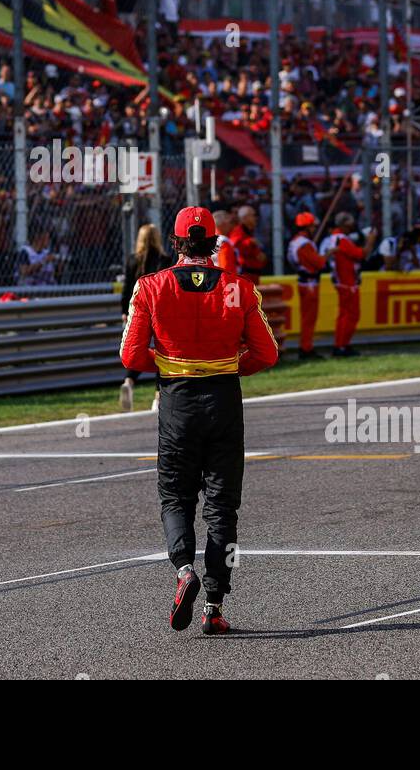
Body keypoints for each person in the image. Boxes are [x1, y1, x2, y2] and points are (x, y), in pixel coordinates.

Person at [120, 205, 278, 636]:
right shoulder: (239, 287)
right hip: (224, 400)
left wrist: (168, 363)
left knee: (175, 495)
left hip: (177, 403)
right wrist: (227, 367)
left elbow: (130, 355)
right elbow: (267, 353)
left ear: (176, 243)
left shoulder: (150, 286)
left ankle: (184, 569)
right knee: (223, 507)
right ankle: (214, 606)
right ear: (214, 243)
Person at [119, 223, 170, 411]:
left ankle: (129, 381)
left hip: (137, 309)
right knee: (162, 351)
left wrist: (125, 311)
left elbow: (126, 290)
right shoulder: (164, 260)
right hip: (159, 310)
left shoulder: (133, 260)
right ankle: (157, 397)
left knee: (137, 350)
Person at [328, 212, 376, 357]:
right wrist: (370, 240)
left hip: (343, 281)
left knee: (344, 315)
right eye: (349, 224)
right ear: (344, 224)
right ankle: (342, 346)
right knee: (351, 315)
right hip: (347, 283)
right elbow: (362, 254)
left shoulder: (335, 238)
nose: (352, 227)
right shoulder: (341, 239)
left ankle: (342, 345)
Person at [287, 211, 326, 360]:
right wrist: (328, 253)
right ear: (307, 227)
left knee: (306, 318)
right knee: (309, 318)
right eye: (313, 226)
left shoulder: (294, 241)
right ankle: (306, 348)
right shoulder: (304, 244)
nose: (315, 229)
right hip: (310, 284)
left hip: (303, 280)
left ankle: (306, 346)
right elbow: (319, 263)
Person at [229, 204, 267, 284]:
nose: (256, 218)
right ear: (245, 218)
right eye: (253, 215)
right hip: (245, 276)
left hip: (254, 276)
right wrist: (250, 242)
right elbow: (236, 248)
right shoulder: (237, 232)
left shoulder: (249, 232)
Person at [212, 209, 239, 275]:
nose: (231, 226)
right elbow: (226, 268)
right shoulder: (223, 241)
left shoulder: (210, 239)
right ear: (222, 224)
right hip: (225, 281)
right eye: (230, 222)